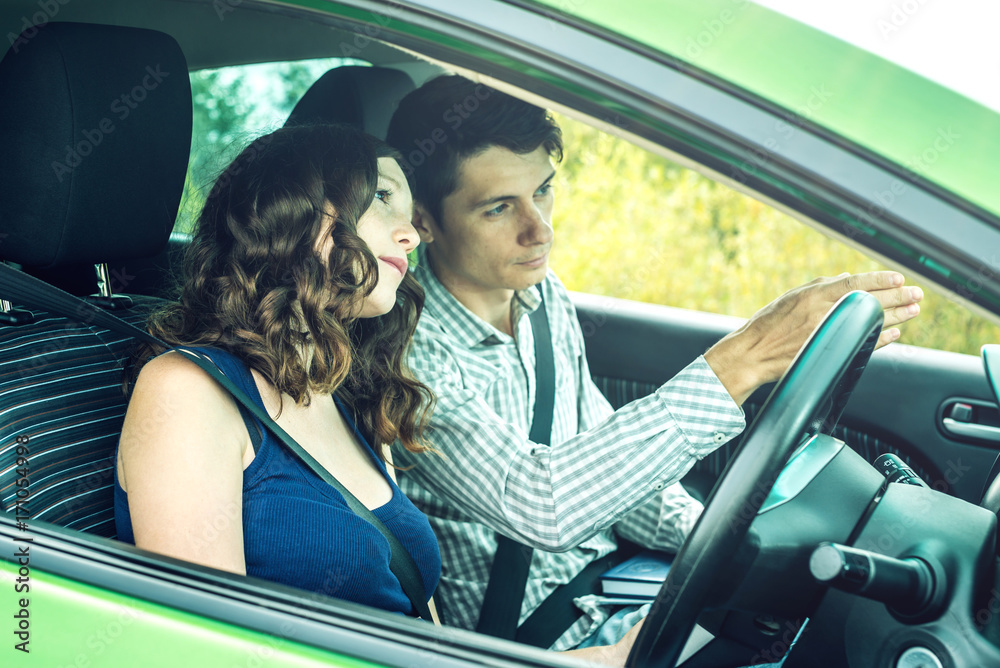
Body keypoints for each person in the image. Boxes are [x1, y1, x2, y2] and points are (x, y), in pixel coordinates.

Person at [385, 75, 925, 651]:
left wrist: (723, 550)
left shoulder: (541, 296)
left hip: (619, 584)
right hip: (550, 642)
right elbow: (542, 504)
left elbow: (605, 457)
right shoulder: (408, 355)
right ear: (423, 222)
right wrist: (746, 358)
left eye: (543, 191)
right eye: (498, 208)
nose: (539, 230)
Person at [113, 122, 640, 666]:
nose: (410, 235)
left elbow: (424, 636)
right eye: (382, 198)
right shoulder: (189, 391)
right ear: (292, 209)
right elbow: (204, 653)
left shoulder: (350, 396)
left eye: (409, 213)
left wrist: (594, 661)